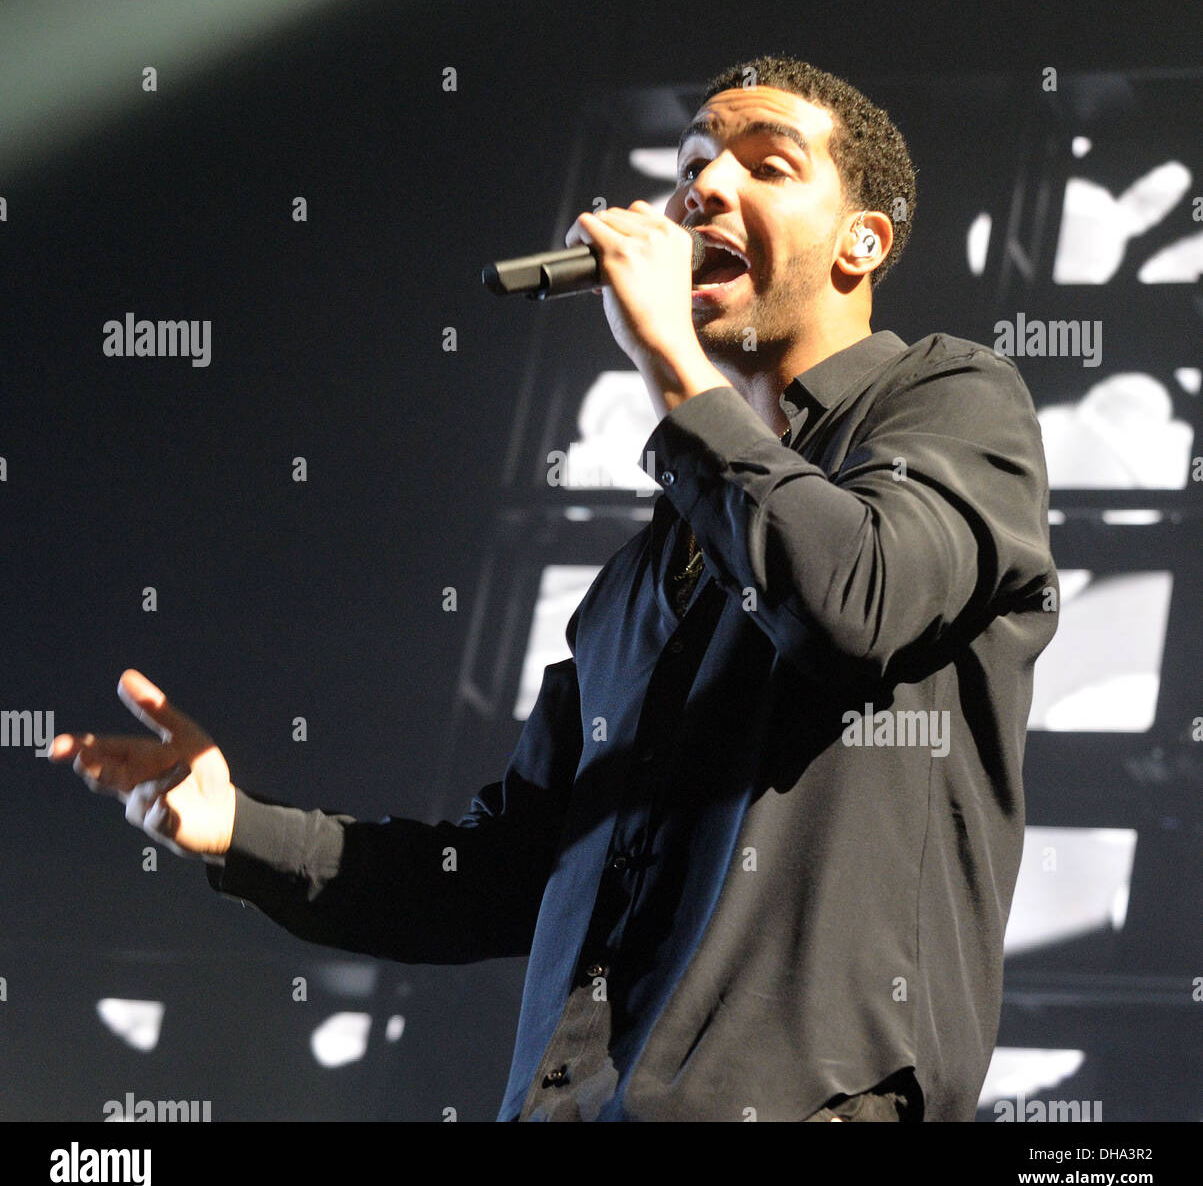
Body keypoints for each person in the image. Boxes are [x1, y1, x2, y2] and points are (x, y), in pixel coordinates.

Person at [50, 54, 1059, 1122]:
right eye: (695, 164)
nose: (703, 187)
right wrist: (240, 829)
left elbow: (853, 598)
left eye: (766, 165)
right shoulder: (634, 583)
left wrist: (675, 366)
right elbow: (502, 873)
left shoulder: (954, 401)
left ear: (865, 239)